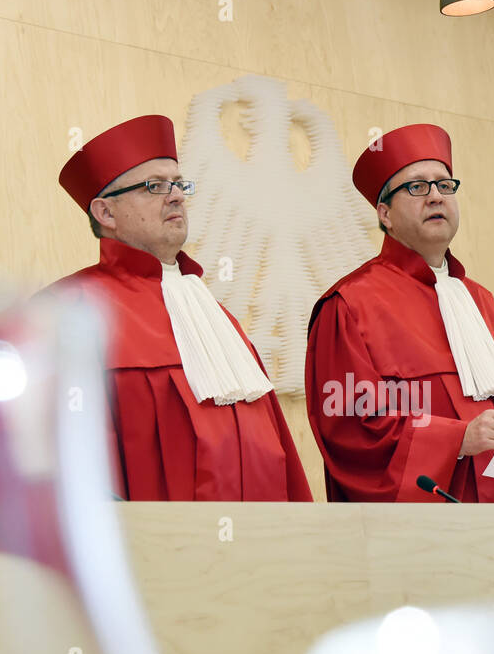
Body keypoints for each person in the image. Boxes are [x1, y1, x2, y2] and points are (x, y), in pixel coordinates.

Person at [38, 114, 311, 502]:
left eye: (179, 184)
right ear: (106, 213)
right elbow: (64, 470)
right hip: (155, 552)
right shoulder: (67, 312)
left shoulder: (214, 313)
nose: (177, 196)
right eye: (154, 186)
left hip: (260, 548)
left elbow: (276, 448)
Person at [305, 123, 494, 502]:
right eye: (417, 187)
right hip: (438, 517)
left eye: (445, 185)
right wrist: (457, 440)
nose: (435, 196)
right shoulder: (350, 305)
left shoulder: (480, 300)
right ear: (384, 213)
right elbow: (351, 429)